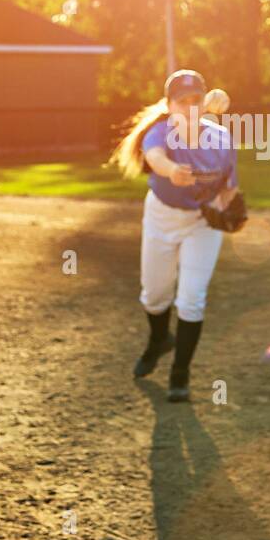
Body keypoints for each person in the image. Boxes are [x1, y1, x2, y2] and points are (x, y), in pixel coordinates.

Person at [110, 69, 240, 402]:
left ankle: (180, 373)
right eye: (182, 102)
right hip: (162, 216)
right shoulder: (160, 131)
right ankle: (158, 341)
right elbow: (154, 158)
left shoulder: (221, 140)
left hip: (201, 222)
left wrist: (230, 207)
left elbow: (228, 188)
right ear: (169, 106)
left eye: (195, 100)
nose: (189, 107)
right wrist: (172, 171)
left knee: (191, 299)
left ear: (203, 101)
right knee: (154, 295)